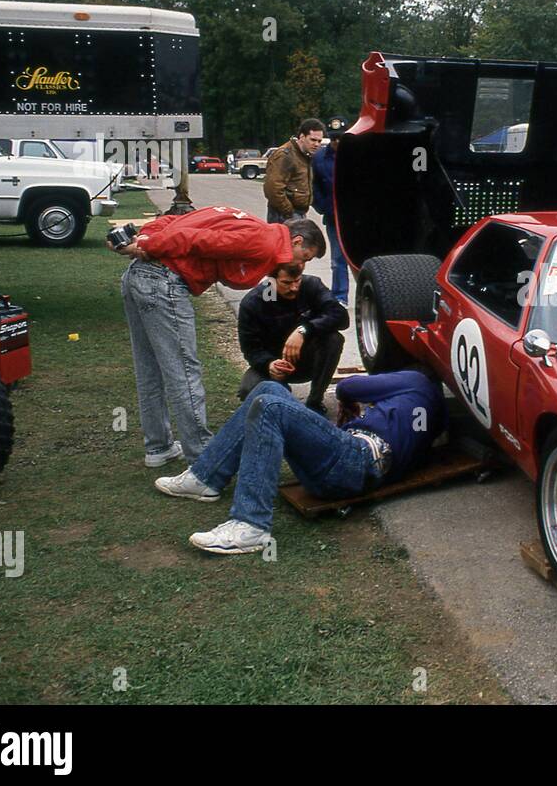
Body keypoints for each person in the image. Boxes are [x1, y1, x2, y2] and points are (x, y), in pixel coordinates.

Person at [113, 207, 326, 469]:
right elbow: (199, 240)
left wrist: (144, 238)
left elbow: (173, 221)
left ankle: (159, 447)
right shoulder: (265, 241)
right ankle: (203, 458)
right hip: (163, 283)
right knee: (184, 370)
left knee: (149, 369)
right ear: (297, 241)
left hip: (138, 276)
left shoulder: (250, 223)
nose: (302, 266)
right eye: (306, 256)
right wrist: (148, 243)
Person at [156, 369, 447, 555]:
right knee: (268, 389)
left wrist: (352, 404)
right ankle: (206, 477)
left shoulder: (417, 381)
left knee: (270, 407)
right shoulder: (430, 408)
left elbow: (348, 387)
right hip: (348, 464)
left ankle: (251, 523)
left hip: (357, 460)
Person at [237, 262, 349, 412]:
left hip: (307, 359)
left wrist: (304, 330)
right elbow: (250, 349)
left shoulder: (312, 285)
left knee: (334, 339)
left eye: (297, 281)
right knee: (248, 390)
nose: (294, 288)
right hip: (274, 364)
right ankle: (282, 398)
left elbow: (340, 316)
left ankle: (315, 401)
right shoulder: (253, 303)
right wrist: (269, 364)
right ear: (271, 280)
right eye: (286, 283)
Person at [311, 116, 349, 304]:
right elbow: (314, 186)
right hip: (333, 217)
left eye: (340, 138)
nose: (336, 142)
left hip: (355, 218)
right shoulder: (319, 158)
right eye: (333, 138)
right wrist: (322, 206)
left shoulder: (356, 156)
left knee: (363, 258)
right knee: (337, 259)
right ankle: (340, 297)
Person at [263, 118, 323, 223]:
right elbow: (272, 189)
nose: (317, 144)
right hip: (284, 215)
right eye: (313, 140)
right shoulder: (285, 155)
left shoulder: (305, 156)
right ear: (302, 137)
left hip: (298, 213)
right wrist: (288, 212)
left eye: (319, 141)